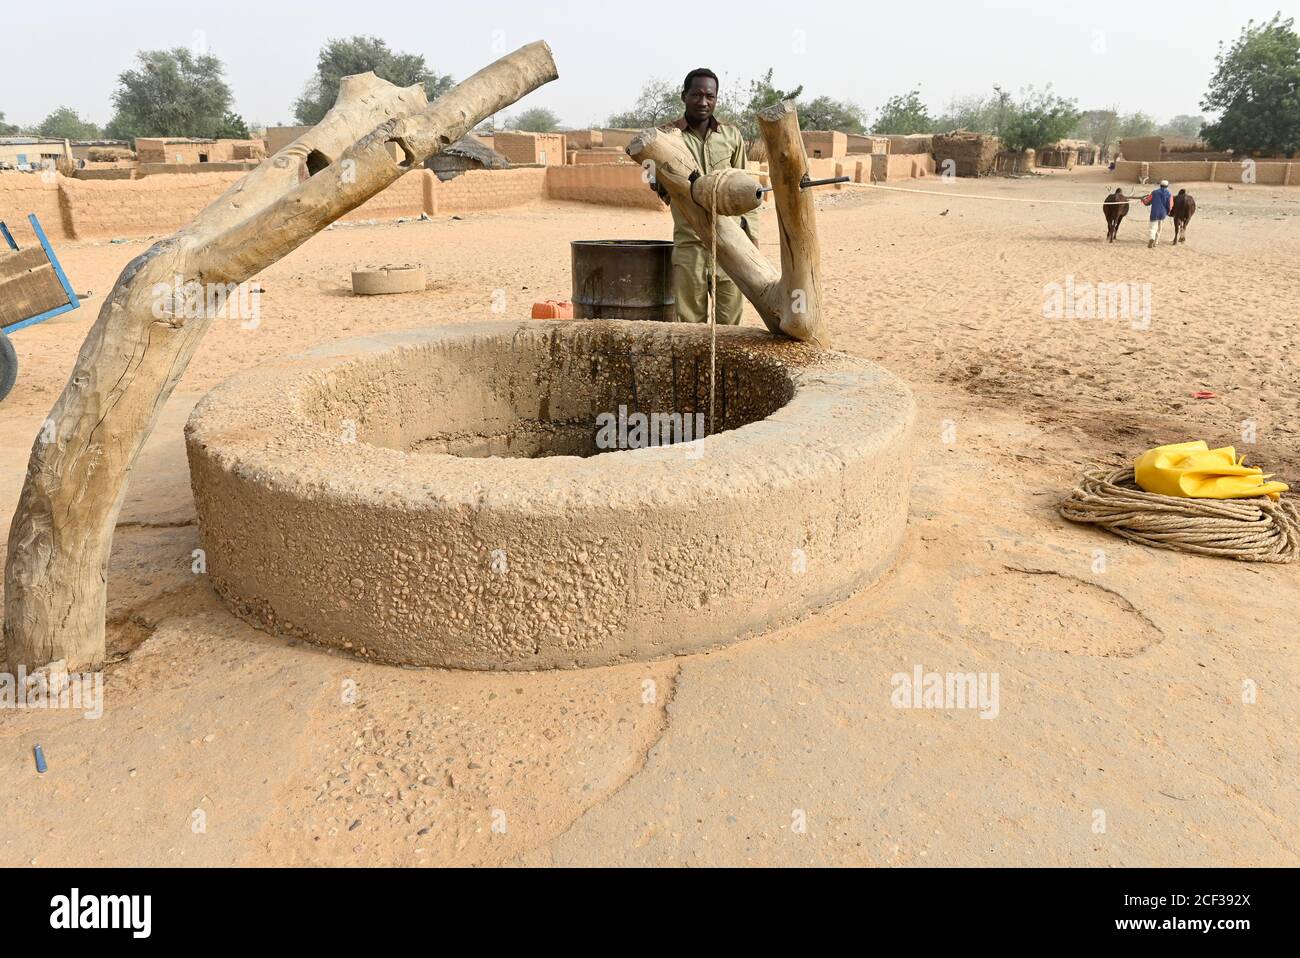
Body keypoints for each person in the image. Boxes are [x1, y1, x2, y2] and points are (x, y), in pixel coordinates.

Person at [655, 67, 759, 325]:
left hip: (731, 244)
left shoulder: (731, 135)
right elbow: (648, 173)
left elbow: (746, 189)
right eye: (696, 95)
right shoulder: (667, 136)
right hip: (690, 244)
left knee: (731, 323)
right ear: (684, 96)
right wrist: (669, 190)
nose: (703, 102)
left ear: (716, 98)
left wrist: (751, 235)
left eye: (709, 96)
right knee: (690, 325)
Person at [1145, 179, 1174, 248]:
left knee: (1152, 227)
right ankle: (1156, 242)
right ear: (1167, 186)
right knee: (1159, 227)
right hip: (1163, 213)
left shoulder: (1154, 192)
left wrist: (1143, 200)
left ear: (1160, 185)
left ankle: (1152, 238)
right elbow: (1170, 205)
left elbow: (1147, 202)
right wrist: (1168, 211)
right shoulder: (1169, 194)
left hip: (1154, 212)